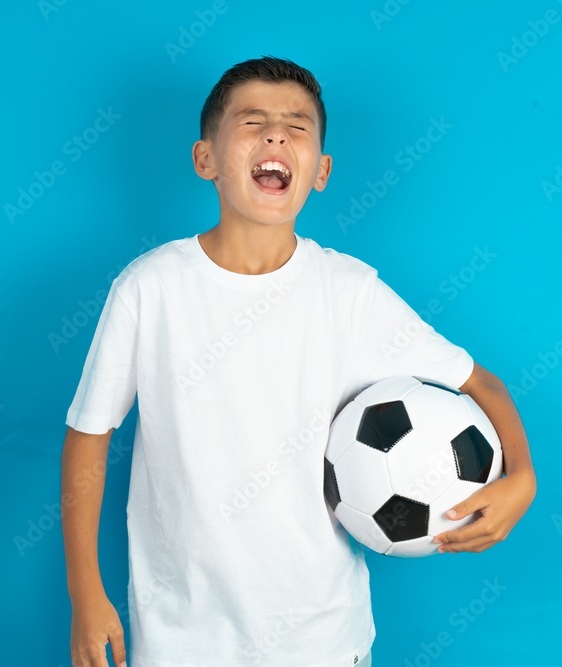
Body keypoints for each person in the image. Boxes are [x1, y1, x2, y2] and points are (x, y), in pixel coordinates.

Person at [60, 55, 536, 667]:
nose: (276, 135)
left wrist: (522, 476)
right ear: (205, 158)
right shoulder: (151, 288)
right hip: (182, 641)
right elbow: (87, 437)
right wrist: (86, 593)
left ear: (321, 171)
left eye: (297, 126)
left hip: (324, 642)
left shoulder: (351, 291)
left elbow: (481, 384)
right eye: (252, 121)